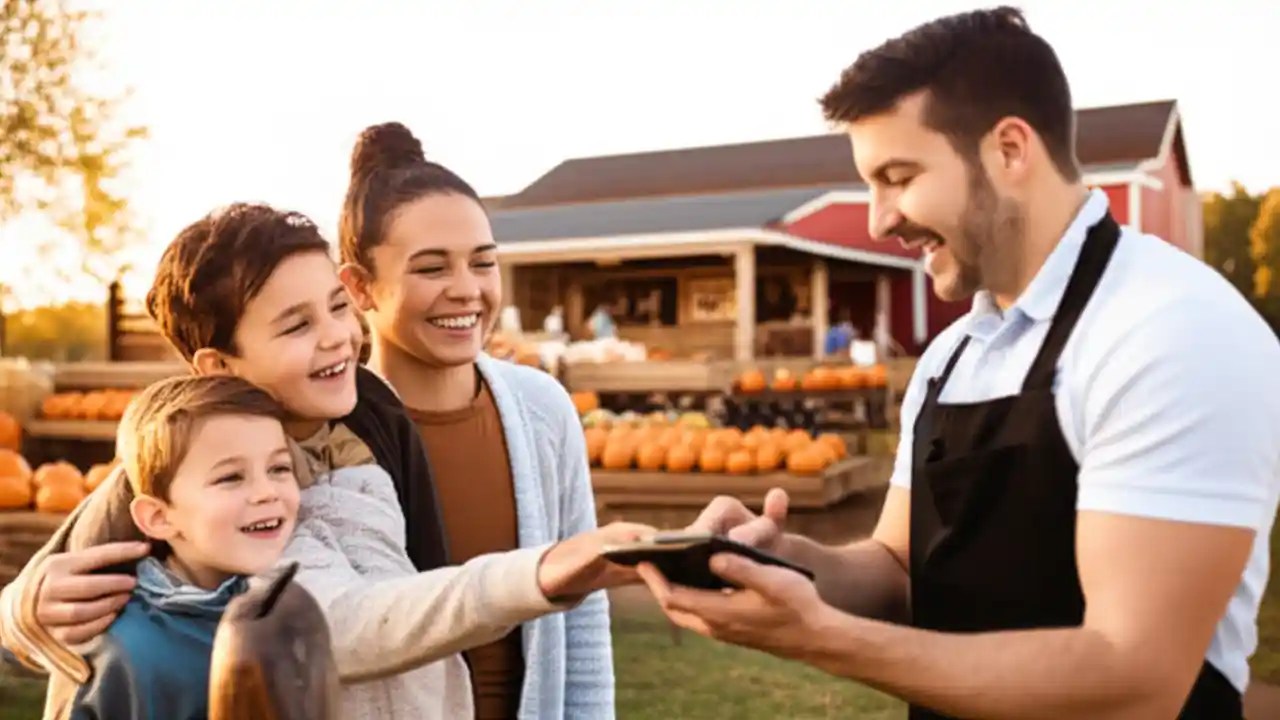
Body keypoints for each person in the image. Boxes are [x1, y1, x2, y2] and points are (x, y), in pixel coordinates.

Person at [637, 8, 1280, 720]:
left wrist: (824, 639)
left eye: (898, 176)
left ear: (1009, 149)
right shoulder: (952, 357)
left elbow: (1134, 676)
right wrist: (777, 564)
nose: (880, 219)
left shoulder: (1172, 330)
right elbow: (898, 569)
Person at [0, 202, 652, 720]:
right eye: (295, 326)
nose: (337, 335)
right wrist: (22, 610)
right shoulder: (218, 482)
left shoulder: (368, 418)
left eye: (336, 307)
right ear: (219, 367)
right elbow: (343, 620)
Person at [336, 122, 615, 718]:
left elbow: (583, 622)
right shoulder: (326, 422)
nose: (467, 291)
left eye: (482, 264)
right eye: (432, 269)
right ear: (360, 287)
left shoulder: (542, 409)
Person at [69, 374, 301, 719]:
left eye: (279, 468)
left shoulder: (286, 606)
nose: (267, 492)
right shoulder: (136, 654)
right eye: (231, 477)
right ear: (160, 517)